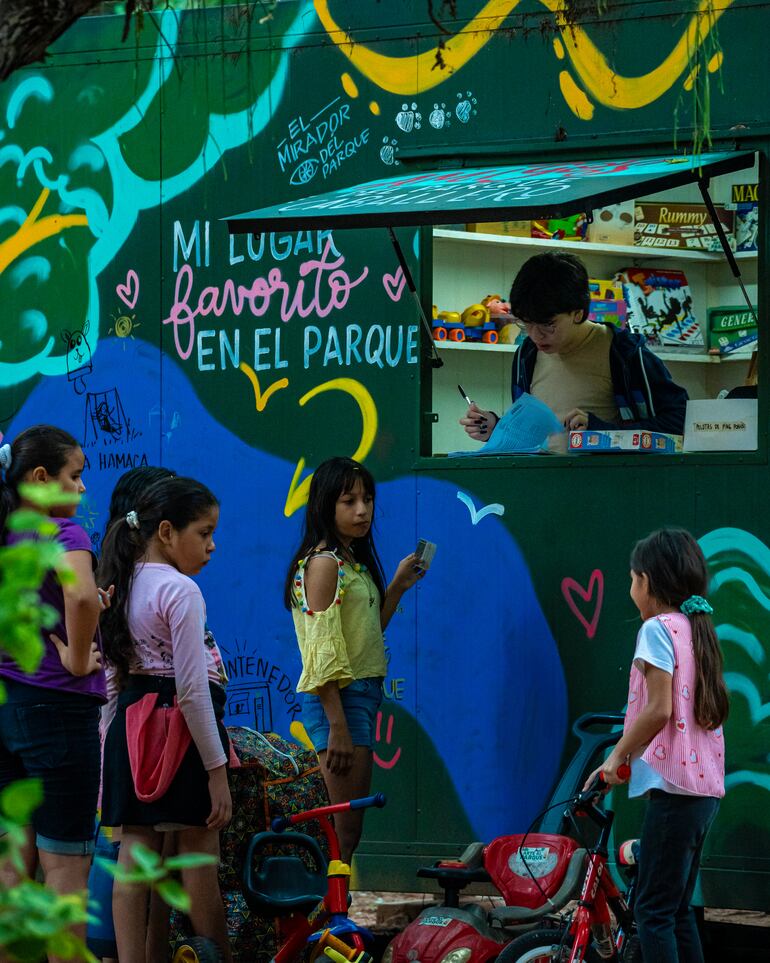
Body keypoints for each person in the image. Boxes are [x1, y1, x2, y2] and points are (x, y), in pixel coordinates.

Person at [98, 475, 232, 963]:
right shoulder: (181, 590)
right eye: (205, 532)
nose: (212, 546)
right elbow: (192, 691)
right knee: (199, 863)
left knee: (133, 863)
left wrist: (107, 760)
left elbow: (111, 685)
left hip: (130, 730)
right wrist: (217, 771)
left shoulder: (121, 583)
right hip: (181, 734)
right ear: (167, 532)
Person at [586, 528, 728, 963]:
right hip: (704, 793)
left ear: (646, 581)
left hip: (676, 794)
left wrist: (616, 756)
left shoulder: (656, 629)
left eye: (632, 579)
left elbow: (659, 709)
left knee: (652, 912)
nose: (631, 588)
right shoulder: (694, 629)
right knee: (676, 910)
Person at [284, 457, 424, 863]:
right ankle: (329, 904)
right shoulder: (324, 563)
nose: (362, 510)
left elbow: (365, 634)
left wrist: (396, 587)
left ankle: (335, 902)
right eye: (349, 501)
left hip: (358, 698)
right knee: (341, 833)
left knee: (348, 831)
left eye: (368, 499)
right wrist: (338, 726)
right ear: (325, 506)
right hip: (339, 702)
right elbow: (321, 650)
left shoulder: (349, 561)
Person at [0, 425, 105, 962]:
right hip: (59, 710)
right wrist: (79, 656)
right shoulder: (64, 533)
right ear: (41, 478)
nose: (82, 488)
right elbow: (80, 598)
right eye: (75, 475)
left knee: (11, 869)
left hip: (7, 710)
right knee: (64, 868)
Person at [460, 252, 688, 440]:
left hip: (609, 479)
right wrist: (496, 427)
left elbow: (682, 420)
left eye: (548, 325)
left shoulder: (624, 353)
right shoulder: (526, 355)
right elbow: (536, 434)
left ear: (578, 312)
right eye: (526, 323)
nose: (535, 335)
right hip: (542, 478)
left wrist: (603, 432)